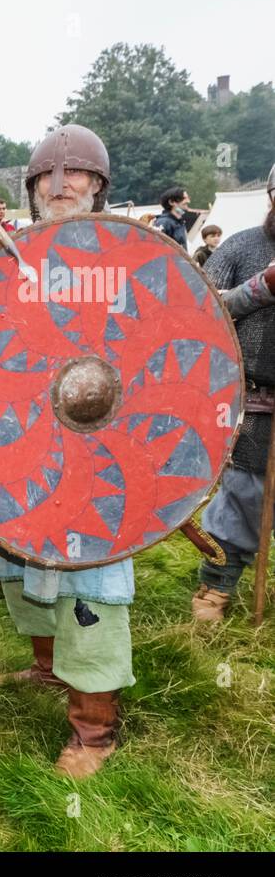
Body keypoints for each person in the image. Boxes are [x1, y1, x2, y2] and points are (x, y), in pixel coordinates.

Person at [0, 126, 136, 779]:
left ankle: (94, 728)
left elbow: (157, 352)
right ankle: (50, 668)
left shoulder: (128, 260)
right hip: (28, 442)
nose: (60, 185)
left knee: (91, 581)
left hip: (102, 447)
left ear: (99, 187)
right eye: (48, 175)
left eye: (76, 175)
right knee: (22, 562)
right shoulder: (9, 261)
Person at [192, 163, 275, 621]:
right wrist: (261, 287)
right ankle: (216, 592)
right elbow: (205, 307)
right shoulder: (242, 247)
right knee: (241, 500)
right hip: (257, 402)